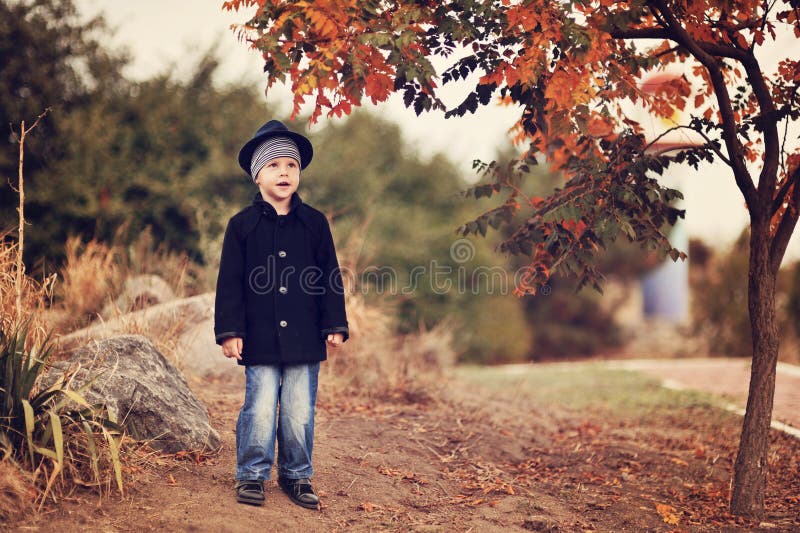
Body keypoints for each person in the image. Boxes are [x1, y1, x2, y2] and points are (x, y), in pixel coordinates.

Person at [214, 120, 349, 509]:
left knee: (298, 410)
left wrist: (334, 323)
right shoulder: (241, 226)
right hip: (257, 336)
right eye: (274, 166)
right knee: (257, 407)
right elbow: (230, 283)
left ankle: (296, 475)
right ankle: (252, 475)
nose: (284, 172)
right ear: (257, 176)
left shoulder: (314, 223)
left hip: (305, 336)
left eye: (291, 165)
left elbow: (330, 276)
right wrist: (229, 330)